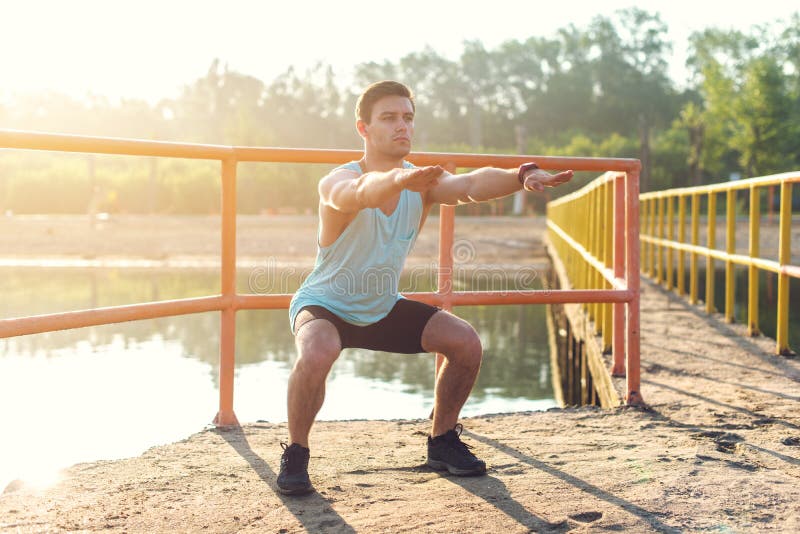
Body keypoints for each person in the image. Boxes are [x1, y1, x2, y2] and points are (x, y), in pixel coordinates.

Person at [278, 80, 573, 495]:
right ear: (363, 128)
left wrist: (520, 174)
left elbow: (470, 186)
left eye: (408, 118)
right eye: (389, 118)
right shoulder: (337, 180)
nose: (402, 126)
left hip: (380, 307)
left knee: (466, 343)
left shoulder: (422, 182)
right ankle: (296, 453)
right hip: (324, 305)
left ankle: (443, 441)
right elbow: (356, 194)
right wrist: (398, 181)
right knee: (318, 349)